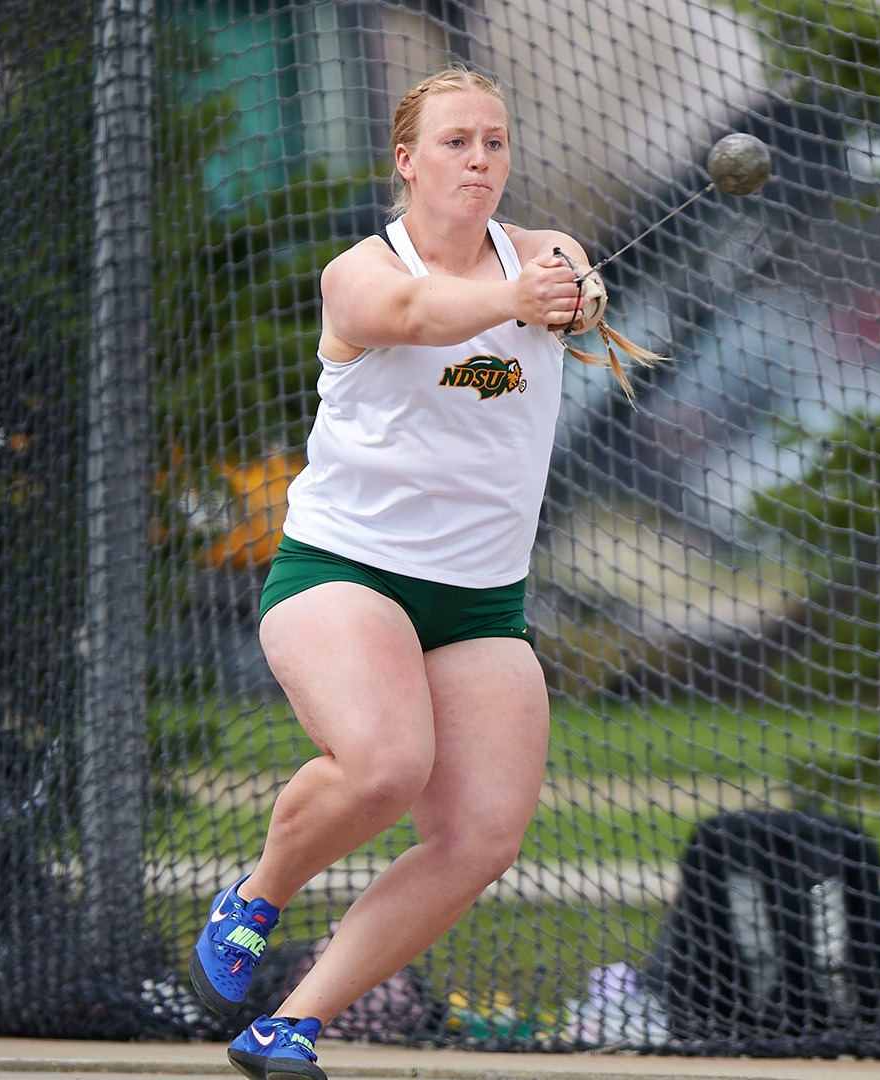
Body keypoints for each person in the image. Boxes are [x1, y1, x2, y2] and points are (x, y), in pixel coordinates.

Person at [187, 67, 656, 1080]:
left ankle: (290, 1026)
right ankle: (259, 894)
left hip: (480, 601)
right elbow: (414, 313)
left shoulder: (544, 253)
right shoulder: (358, 272)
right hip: (344, 574)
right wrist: (514, 300)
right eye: (454, 142)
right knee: (384, 765)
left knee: (483, 837)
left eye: (493, 141)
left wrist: (572, 297)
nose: (478, 158)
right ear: (406, 160)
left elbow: (577, 289)